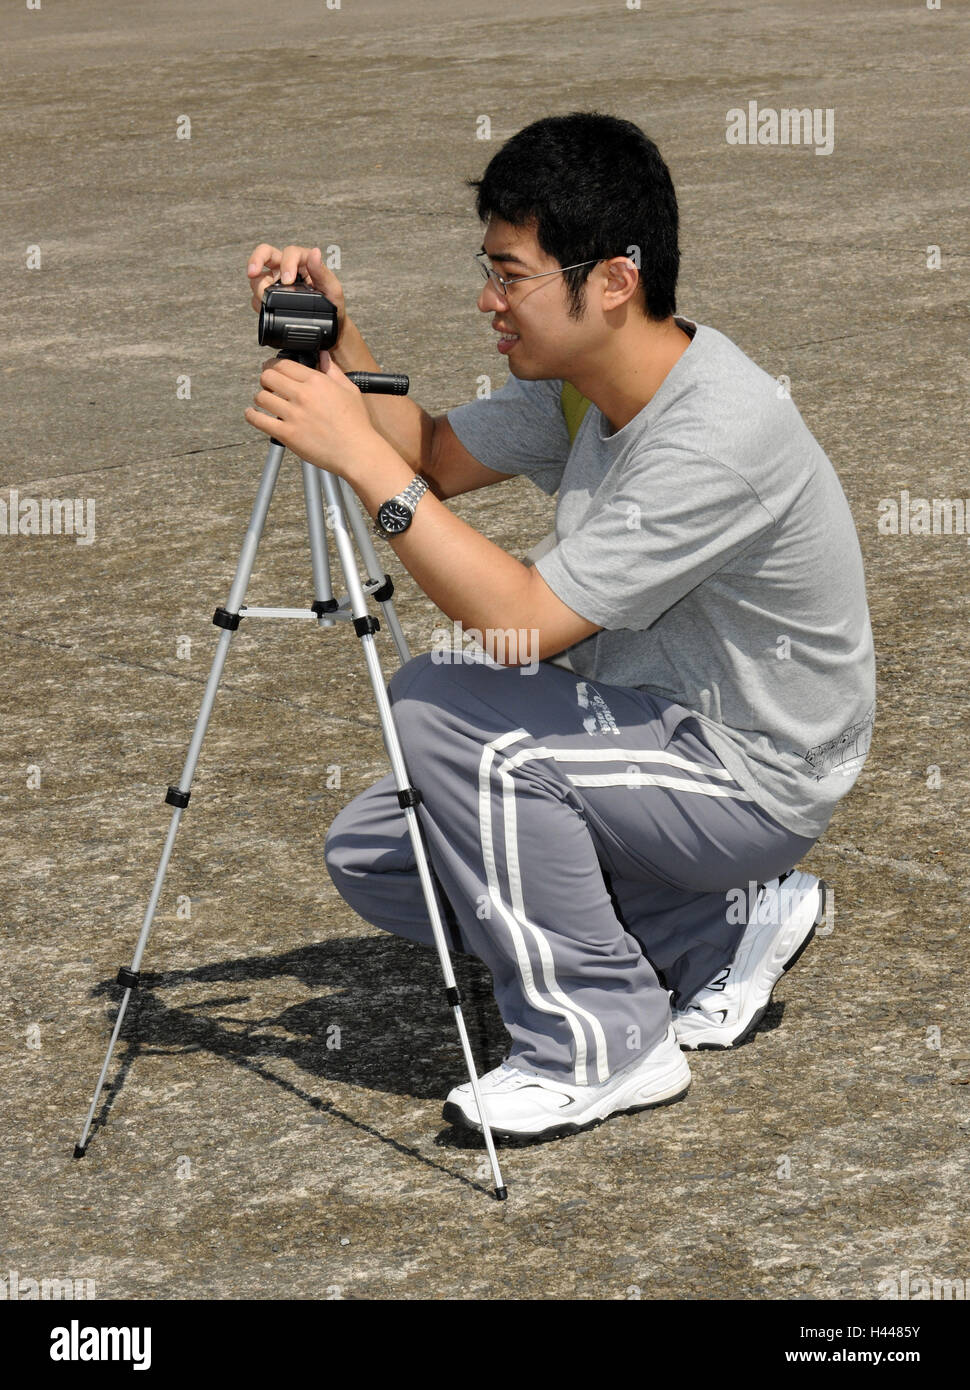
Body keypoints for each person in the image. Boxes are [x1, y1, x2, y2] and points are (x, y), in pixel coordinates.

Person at [244, 111, 875, 1143]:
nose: (488, 301)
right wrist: (336, 334)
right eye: (487, 269)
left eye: (511, 274)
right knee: (378, 850)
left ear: (613, 281)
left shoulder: (715, 432)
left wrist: (361, 464)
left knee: (446, 716)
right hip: (650, 730)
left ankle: (605, 1043)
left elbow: (524, 622)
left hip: (751, 769)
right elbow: (438, 453)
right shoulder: (592, 386)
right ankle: (710, 929)